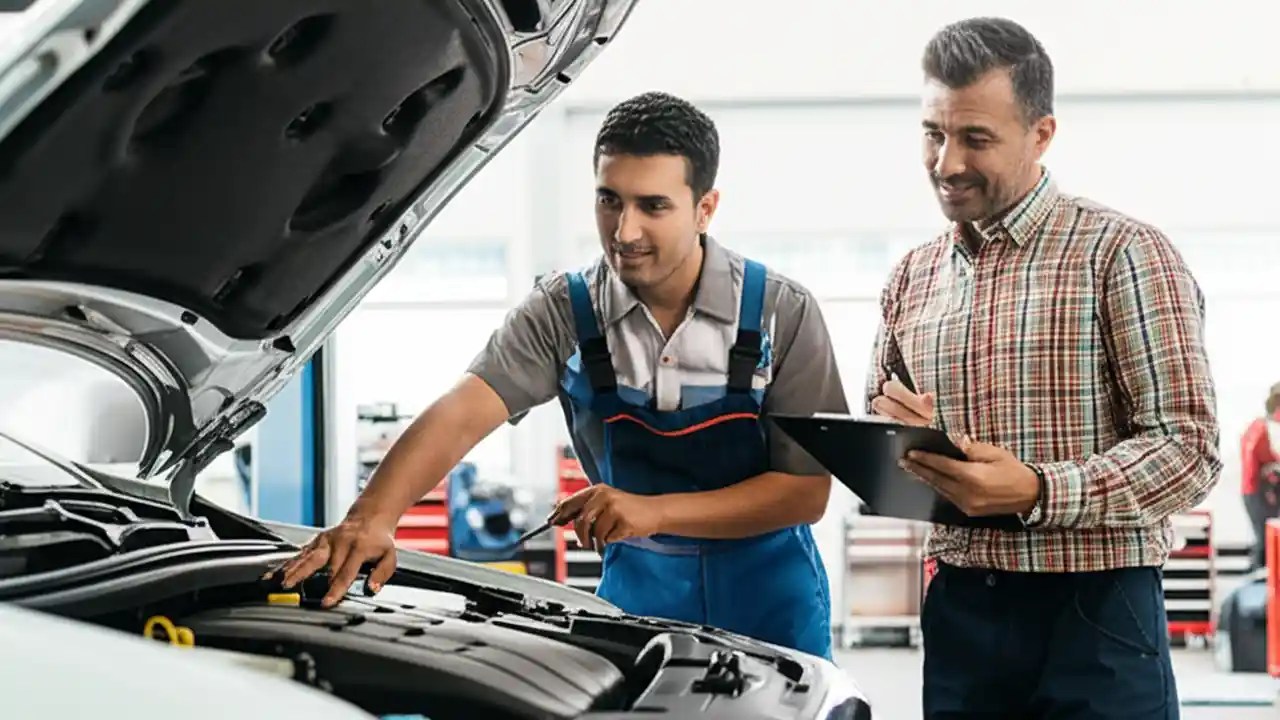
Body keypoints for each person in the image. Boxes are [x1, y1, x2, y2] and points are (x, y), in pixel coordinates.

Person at [272, 91, 848, 659]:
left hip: (771, 602)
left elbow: (804, 492)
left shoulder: (781, 313)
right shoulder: (563, 313)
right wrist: (372, 518)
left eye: (653, 206)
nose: (624, 232)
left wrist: (654, 510)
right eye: (608, 200)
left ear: (706, 208)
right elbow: (462, 412)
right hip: (637, 602)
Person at [867, 17, 1221, 718]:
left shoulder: (1122, 254)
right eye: (934, 134)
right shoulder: (913, 276)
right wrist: (901, 441)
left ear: (1041, 134)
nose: (946, 163)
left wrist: (1036, 490)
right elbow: (884, 428)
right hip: (961, 610)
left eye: (976, 139)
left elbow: (1189, 449)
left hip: (1098, 615)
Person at [1239, 382, 1280, 570]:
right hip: (1257, 491)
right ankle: (1258, 581)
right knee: (1264, 539)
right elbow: (1256, 462)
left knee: (1264, 537)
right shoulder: (1261, 428)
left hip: (1257, 489)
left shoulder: (1260, 427)